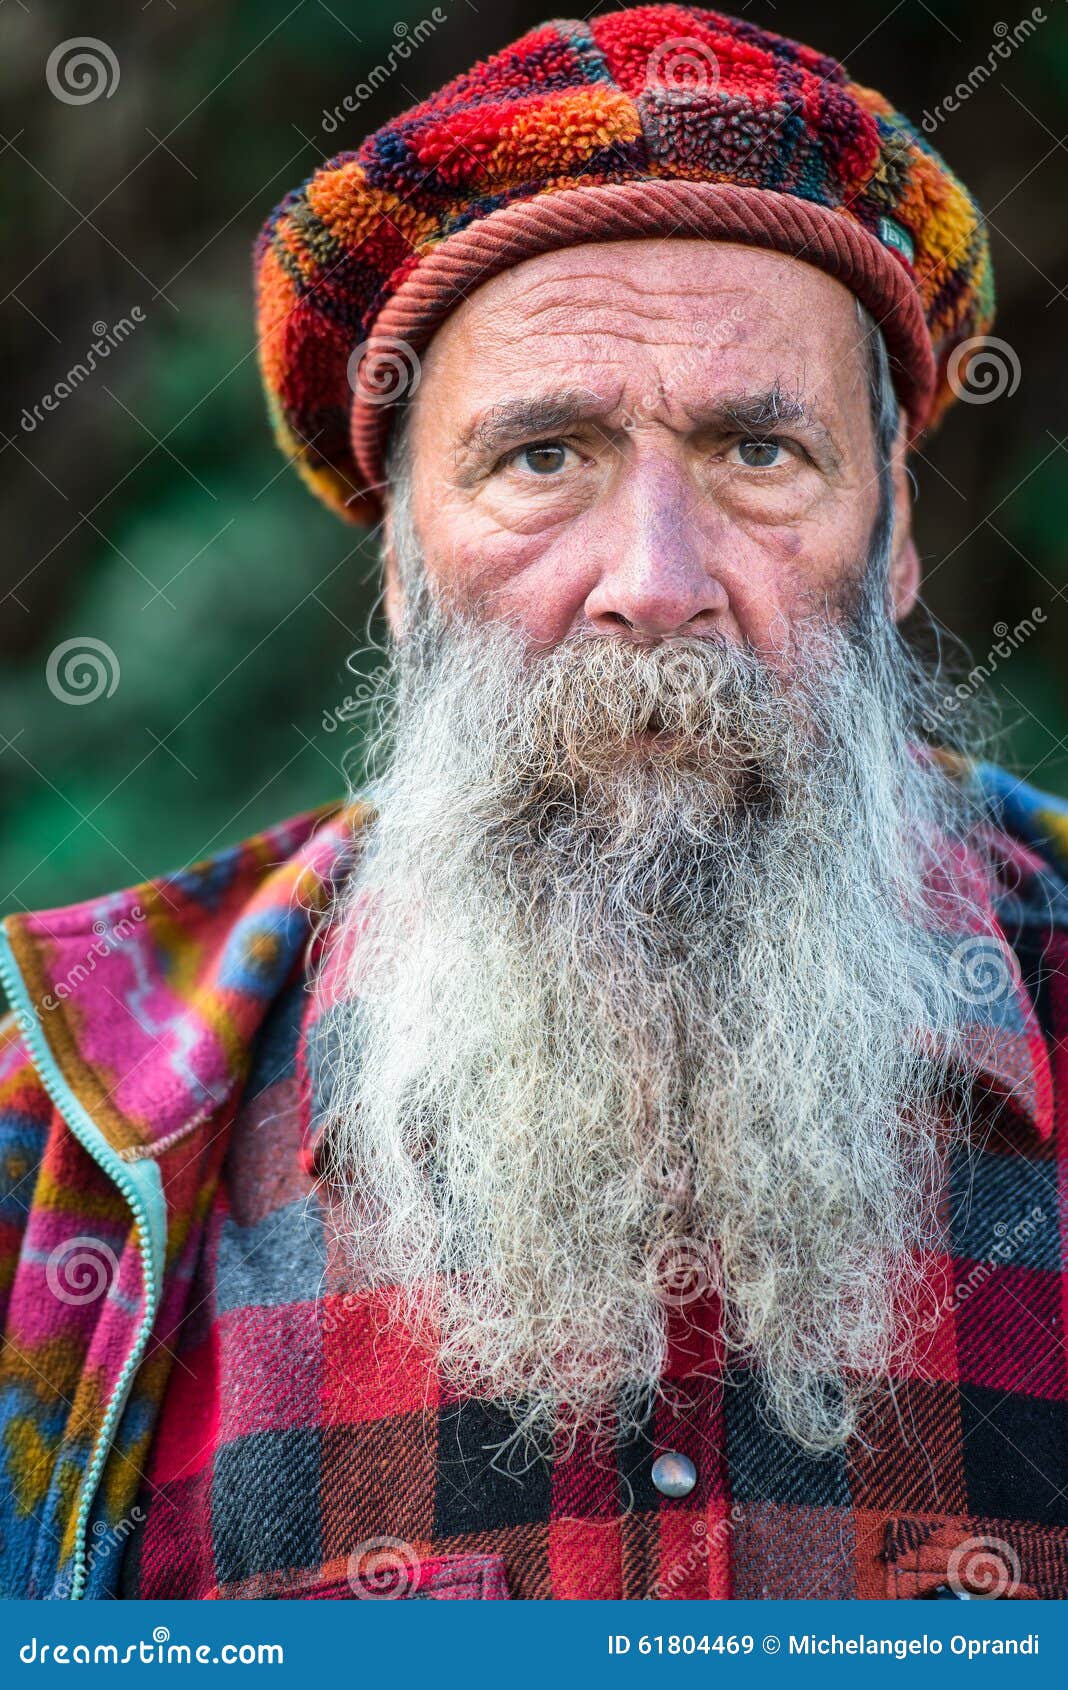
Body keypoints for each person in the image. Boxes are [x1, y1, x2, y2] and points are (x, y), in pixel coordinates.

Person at [2, 5, 1067, 1602]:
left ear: (896, 532)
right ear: (402, 563)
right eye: (544, 455)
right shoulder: (59, 1127)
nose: (653, 583)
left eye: (760, 451)